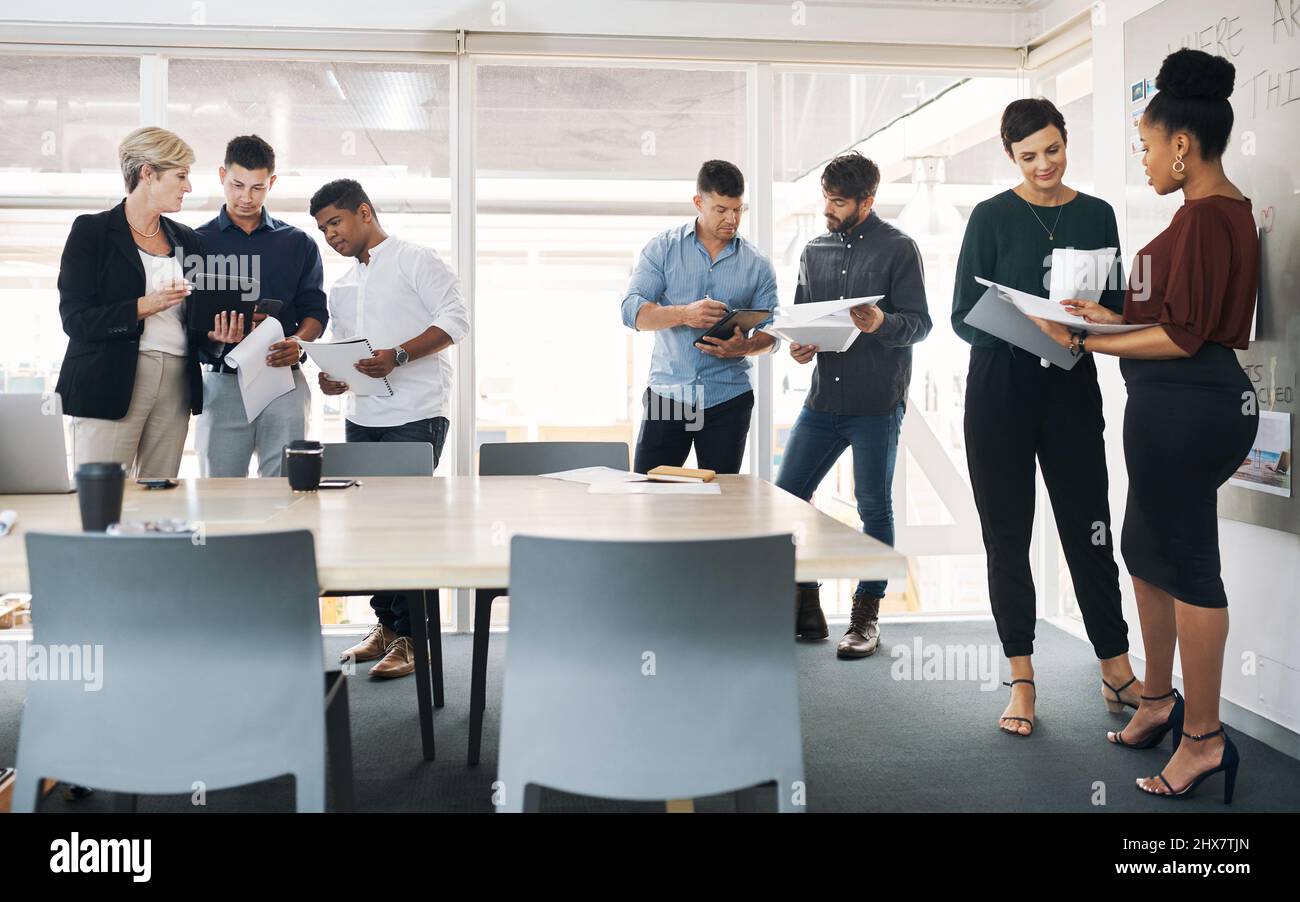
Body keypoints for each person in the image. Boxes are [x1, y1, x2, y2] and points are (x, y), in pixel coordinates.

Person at [1028, 49, 1256, 801]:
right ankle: (1159, 699)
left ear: (1182, 145)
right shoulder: (1193, 218)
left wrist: (1091, 338)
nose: (1146, 155)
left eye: (1148, 143)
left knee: (1188, 564)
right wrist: (1105, 316)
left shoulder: (1215, 219)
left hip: (1194, 406)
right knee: (1142, 550)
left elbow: (1187, 336)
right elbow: (1166, 318)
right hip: (1170, 407)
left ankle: (1205, 739)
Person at [951, 99, 1142, 736]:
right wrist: (1025, 323)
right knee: (1007, 534)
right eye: (1028, 155)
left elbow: (1115, 308)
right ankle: (1022, 676)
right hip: (1000, 387)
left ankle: (1115, 665)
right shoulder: (990, 216)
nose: (1043, 164)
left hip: (1070, 382)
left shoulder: (1097, 213)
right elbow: (960, 314)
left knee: (1090, 526)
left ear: (1067, 143)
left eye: (1052, 150)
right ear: (1010, 155)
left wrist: (1092, 318)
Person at [776, 152, 931, 657]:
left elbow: (920, 324)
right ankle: (806, 601)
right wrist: (801, 346)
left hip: (876, 403)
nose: (829, 208)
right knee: (786, 499)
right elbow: (805, 318)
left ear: (867, 201)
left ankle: (866, 615)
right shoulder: (814, 249)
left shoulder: (899, 249)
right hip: (823, 401)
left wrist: (881, 324)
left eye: (838, 201)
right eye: (825, 198)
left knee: (873, 507)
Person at [313, 179, 468, 679]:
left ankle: (415, 639)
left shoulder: (415, 260)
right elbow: (345, 350)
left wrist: (398, 355)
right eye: (322, 229)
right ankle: (386, 626)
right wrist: (334, 379)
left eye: (335, 222)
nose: (330, 235)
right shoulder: (341, 287)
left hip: (417, 414)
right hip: (362, 418)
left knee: (407, 530)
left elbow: (457, 321)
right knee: (371, 530)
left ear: (364, 212)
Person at [55, 126, 243, 478]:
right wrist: (145, 304)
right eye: (181, 176)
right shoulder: (92, 232)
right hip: (109, 379)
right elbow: (76, 320)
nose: (188, 186)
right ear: (147, 173)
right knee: (103, 493)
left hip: (175, 382)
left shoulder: (189, 240)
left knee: (160, 493)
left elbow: (195, 327)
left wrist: (216, 339)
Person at [620, 160, 779, 474]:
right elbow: (631, 313)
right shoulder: (662, 250)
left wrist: (745, 347)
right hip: (668, 394)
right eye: (721, 209)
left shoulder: (758, 264)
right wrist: (684, 314)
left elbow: (773, 334)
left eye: (738, 210)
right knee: (650, 494)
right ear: (698, 203)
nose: (732, 219)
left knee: (722, 501)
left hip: (728, 398)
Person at [194, 135, 328, 477]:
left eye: (257, 188)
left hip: (282, 379)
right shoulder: (195, 242)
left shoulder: (298, 243)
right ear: (222, 175)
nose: (246, 197)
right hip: (223, 380)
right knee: (219, 491)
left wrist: (298, 342)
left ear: (272, 183)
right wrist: (214, 335)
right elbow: (186, 320)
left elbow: (315, 310)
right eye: (237, 185)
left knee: (285, 486)